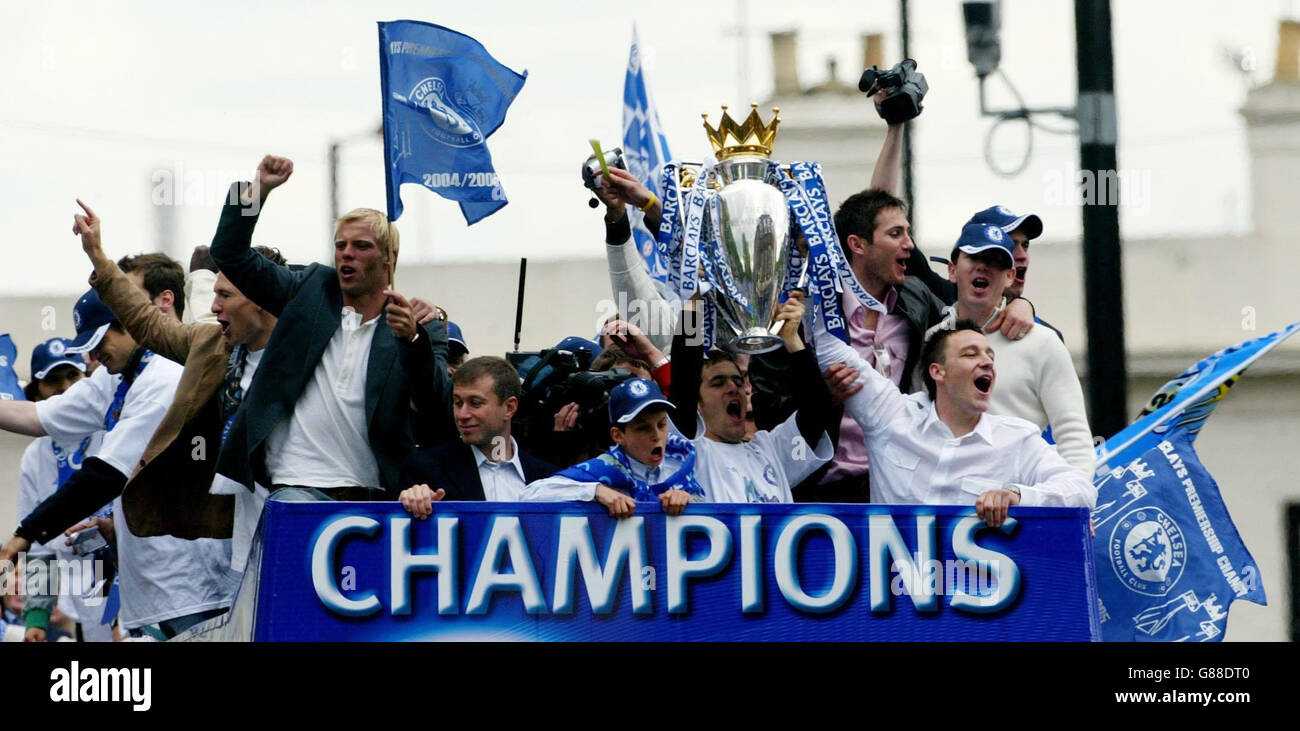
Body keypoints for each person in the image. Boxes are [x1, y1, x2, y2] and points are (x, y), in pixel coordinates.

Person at [0, 280, 235, 640]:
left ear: (129, 322)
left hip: (185, 582)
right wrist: (35, 614)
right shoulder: (116, 381)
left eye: (98, 344)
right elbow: (35, 418)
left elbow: (104, 476)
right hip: (134, 589)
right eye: (53, 380)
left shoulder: (162, 379)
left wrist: (24, 536)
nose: (91, 360)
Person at [209, 154, 453, 500]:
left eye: (361, 246)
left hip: (376, 491)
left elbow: (436, 408)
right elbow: (229, 253)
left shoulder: (419, 327)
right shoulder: (308, 291)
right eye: (340, 246)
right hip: (295, 483)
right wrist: (257, 191)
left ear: (390, 257)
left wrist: (411, 341)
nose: (346, 254)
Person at [814, 317, 1095, 526]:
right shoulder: (892, 415)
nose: (987, 362)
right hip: (893, 596)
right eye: (970, 354)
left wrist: (1016, 496)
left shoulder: (1016, 438)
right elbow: (830, 348)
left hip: (974, 599)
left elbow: (1081, 490)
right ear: (938, 372)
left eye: (990, 356)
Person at [931, 224, 1095, 474]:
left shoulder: (1043, 342)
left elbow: (1074, 440)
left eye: (995, 261)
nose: (983, 266)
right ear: (952, 271)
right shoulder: (930, 339)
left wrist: (1074, 507)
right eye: (974, 256)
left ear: (1010, 277)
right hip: (946, 504)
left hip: (1018, 503)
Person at [669, 292, 834, 503]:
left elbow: (817, 410)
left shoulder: (772, 452)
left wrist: (792, 339)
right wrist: (693, 300)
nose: (733, 388)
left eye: (738, 382)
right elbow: (683, 383)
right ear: (698, 405)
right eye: (718, 383)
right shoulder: (691, 453)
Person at [16, 339, 111, 643]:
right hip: (82, 599)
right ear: (36, 392)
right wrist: (37, 618)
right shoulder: (35, 455)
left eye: (73, 376)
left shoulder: (112, 432)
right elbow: (38, 550)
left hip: (128, 586)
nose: (65, 388)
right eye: (53, 380)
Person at [398, 357, 558, 518]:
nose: (462, 415)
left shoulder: (548, 478)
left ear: (509, 408)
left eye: (475, 403)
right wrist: (411, 502)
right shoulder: (425, 471)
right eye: (458, 403)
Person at [522, 378, 701, 516]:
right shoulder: (603, 469)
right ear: (618, 435)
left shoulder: (683, 465)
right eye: (643, 428)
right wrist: (596, 491)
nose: (656, 436)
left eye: (661, 425)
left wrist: (690, 502)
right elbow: (530, 495)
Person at [964, 205, 1065, 341]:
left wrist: (1022, 304)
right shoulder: (939, 308)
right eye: (1009, 246)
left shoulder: (1045, 335)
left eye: (1025, 245)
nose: (1022, 255)